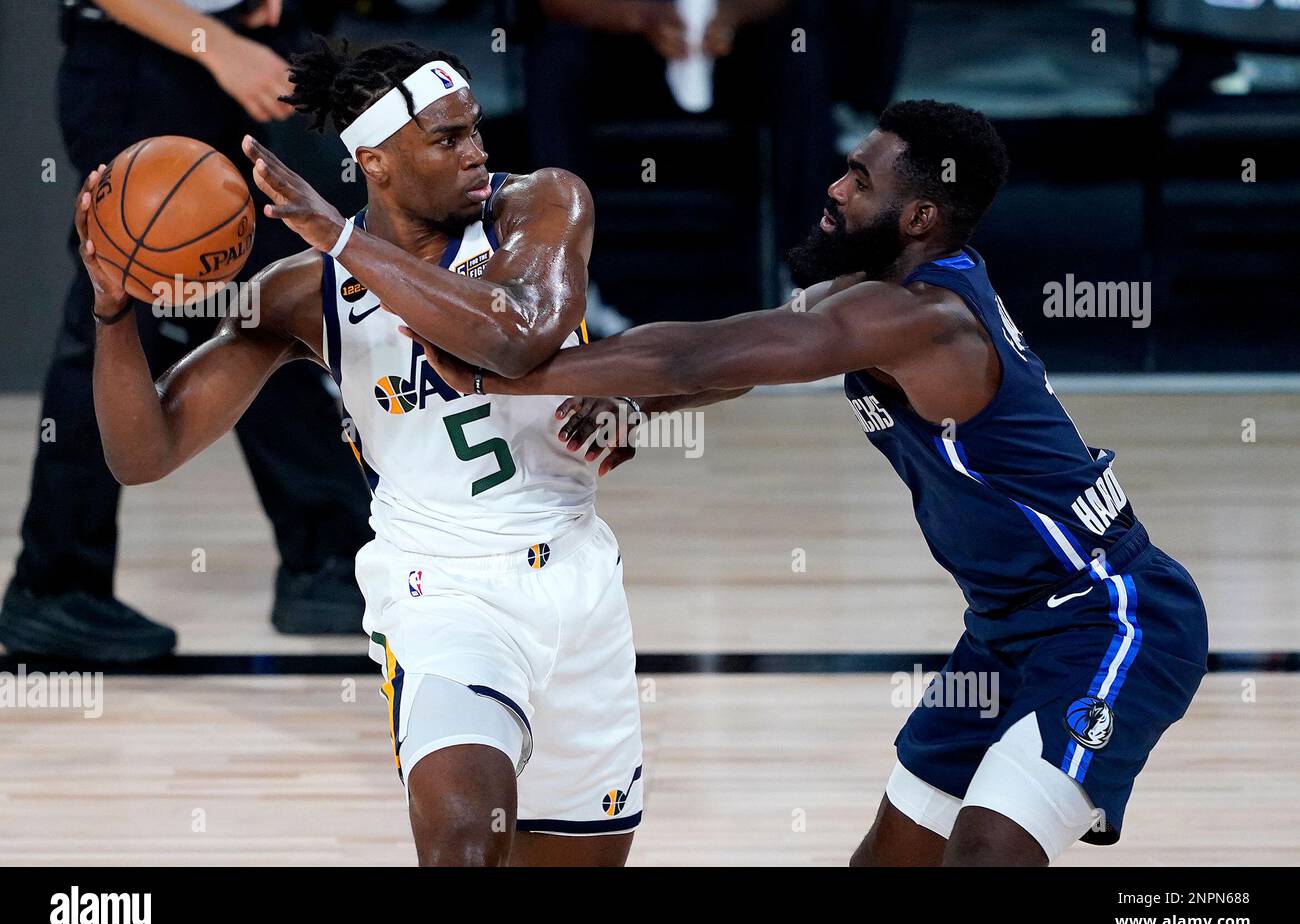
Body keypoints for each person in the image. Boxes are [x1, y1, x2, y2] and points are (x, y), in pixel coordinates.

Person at [411, 100, 1211, 866]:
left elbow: (693, 355)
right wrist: (632, 402)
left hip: (1110, 616)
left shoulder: (924, 318)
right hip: (1004, 627)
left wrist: (504, 372)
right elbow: (744, 362)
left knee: (987, 853)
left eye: (860, 180)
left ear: (919, 216)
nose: (835, 188)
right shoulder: (870, 295)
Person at [79, 38, 718, 866]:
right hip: (437, 593)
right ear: (375, 162)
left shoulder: (538, 205)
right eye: (447, 139)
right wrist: (112, 312)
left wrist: (625, 402)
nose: (476, 151)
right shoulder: (304, 295)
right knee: (463, 842)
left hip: (578, 579)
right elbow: (145, 454)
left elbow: (517, 335)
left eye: (474, 128)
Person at [0, 0, 370, 663]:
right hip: (146, 61)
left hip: (210, 59)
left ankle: (328, 559)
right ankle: (54, 584)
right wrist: (214, 43)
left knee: (257, 302)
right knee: (117, 309)